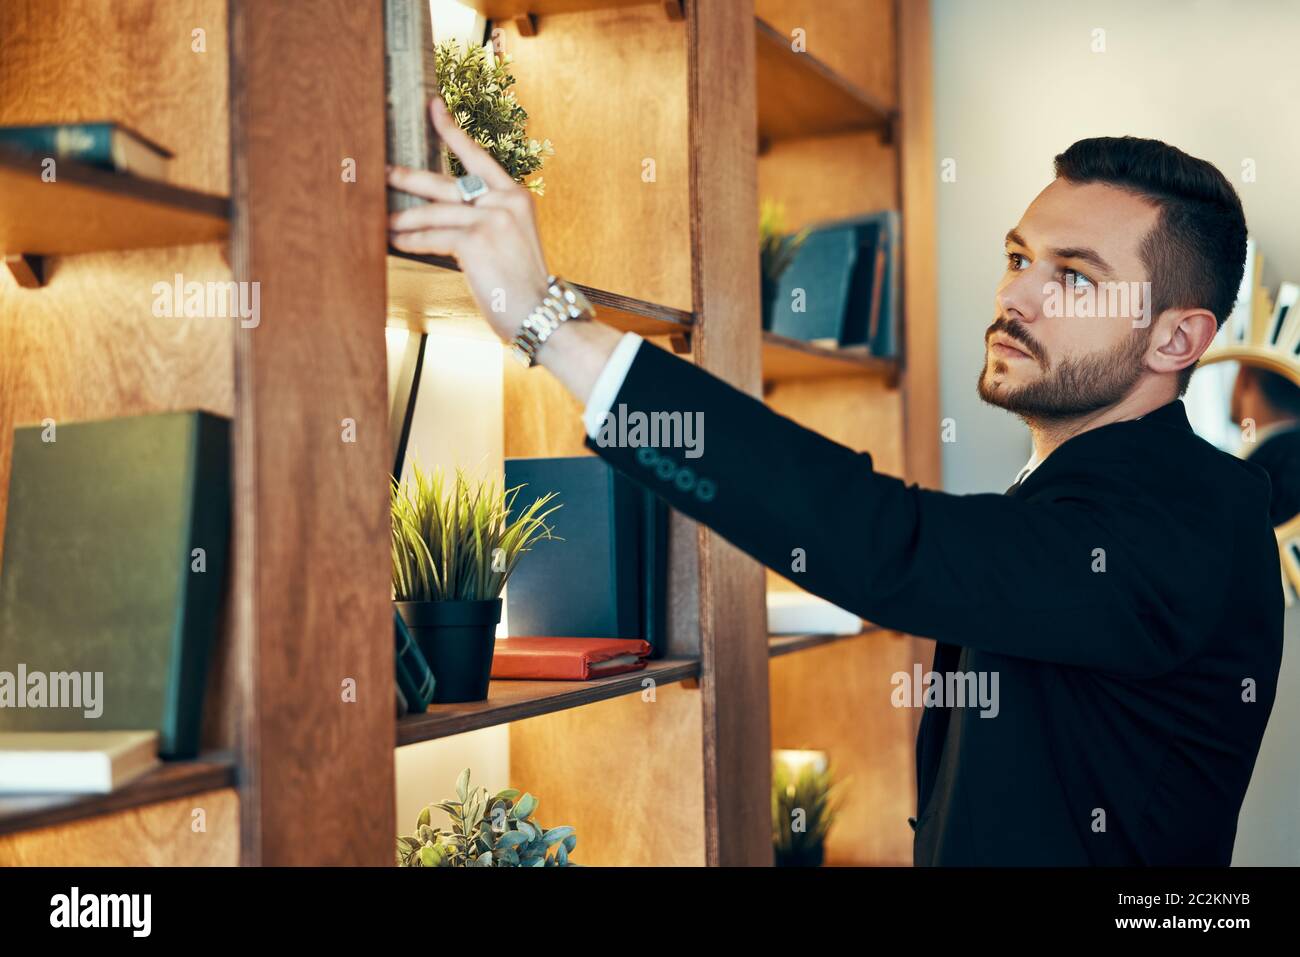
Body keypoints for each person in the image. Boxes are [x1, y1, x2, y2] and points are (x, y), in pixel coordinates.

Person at [387, 99, 1283, 866]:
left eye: (1075, 278)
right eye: (1020, 259)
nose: (1019, 298)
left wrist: (551, 322)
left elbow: (881, 542)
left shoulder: (1186, 518)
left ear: (1176, 339)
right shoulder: (1089, 494)